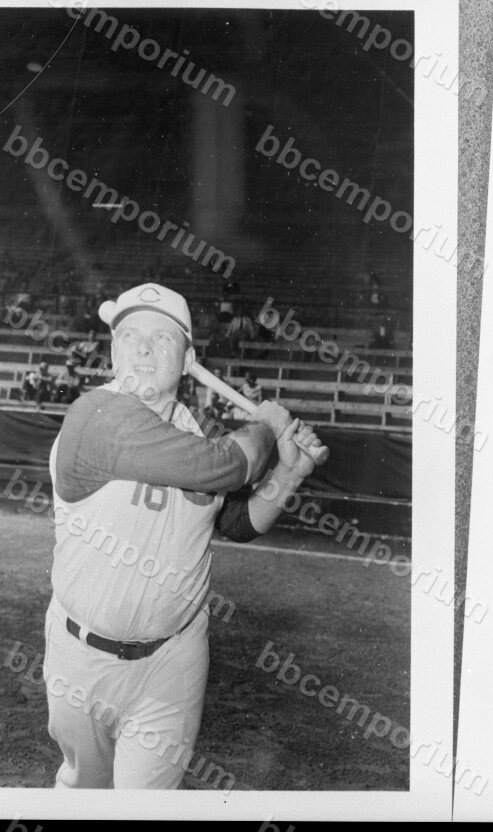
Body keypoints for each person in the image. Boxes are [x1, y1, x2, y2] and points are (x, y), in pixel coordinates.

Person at [43, 282, 324, 789]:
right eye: (129, 336)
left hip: (174, 659)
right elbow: (229, 465)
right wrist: (265, 425)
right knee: (84, 797)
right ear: (113, 351)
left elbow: (238, 523)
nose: (143, 348)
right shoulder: (95, 415)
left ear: (188, 359)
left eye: (162, 337)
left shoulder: (202, 430)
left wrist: (290, 473)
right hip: (81, 658)